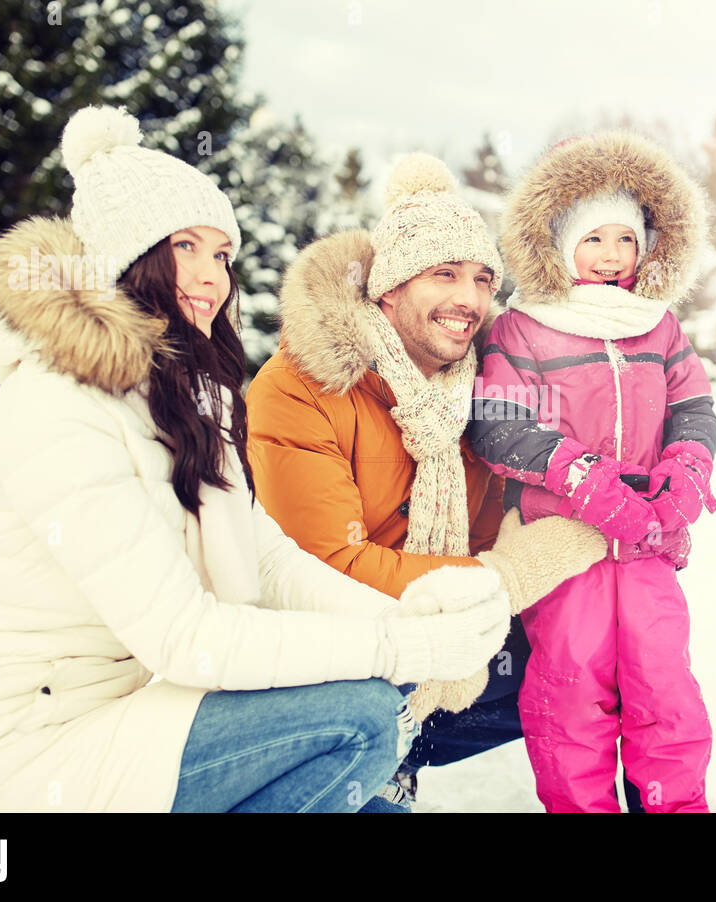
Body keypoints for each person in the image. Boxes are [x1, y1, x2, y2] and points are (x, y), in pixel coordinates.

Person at [0, 105, 510, 813]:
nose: (210, 276)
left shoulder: (191, 404)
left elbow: (269, 565)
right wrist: (394, 651)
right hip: (31, 756)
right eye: (185, 247)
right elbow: (184, 636)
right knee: (362, 716)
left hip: (155, 722)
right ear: (123, 257)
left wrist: (415, 614)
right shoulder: (52, 409)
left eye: (222, 254)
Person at [245, 153, 606, 811]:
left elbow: (518, 510)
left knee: (586, 637)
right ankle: (357, 752)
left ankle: (402, 748)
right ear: (389, 288)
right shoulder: (301, 385)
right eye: (444, 275)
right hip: (330, 649)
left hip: (431, 625)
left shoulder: (484, 389)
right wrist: (502, 578)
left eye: (481, 279)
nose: (468, 301)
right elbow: (322, 569)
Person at [467, 131, 716, 812]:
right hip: (565, 547)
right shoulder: (525, 328)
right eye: (595, 240)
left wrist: (686, 471)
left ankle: (672, 803)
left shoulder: (658, 327)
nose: (613, 256)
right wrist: (578, 476)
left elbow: (694, 409)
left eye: (626, 241)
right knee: (570, 689)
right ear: (560, 244)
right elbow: (497, 422)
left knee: (663, 681)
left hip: (645, 542)